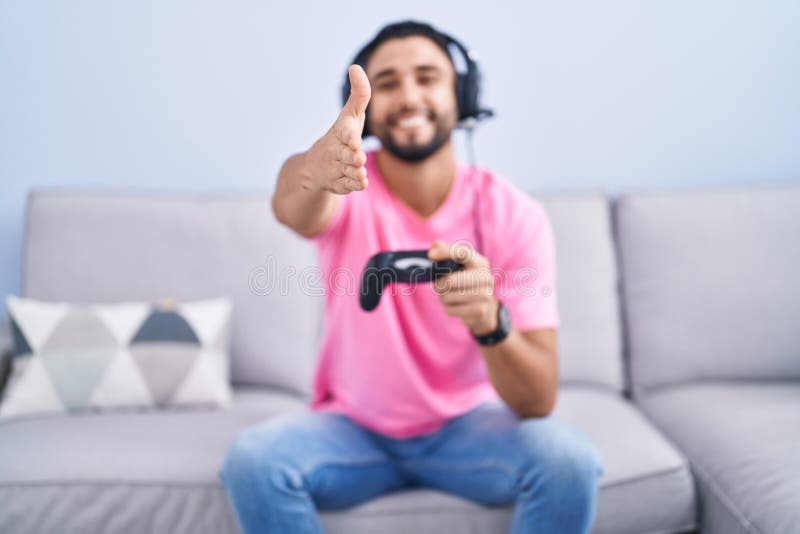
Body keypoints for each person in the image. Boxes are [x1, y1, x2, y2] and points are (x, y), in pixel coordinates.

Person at [219, 20, 602, 534]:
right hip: (354, 429)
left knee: (568, 460)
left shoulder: (514, 214)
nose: (409, 96)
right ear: (368, 108)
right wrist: (313, 167)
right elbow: (292, 207)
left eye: (427, 77)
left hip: (466, 429)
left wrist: (490, 322)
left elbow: (538, 400)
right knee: (252, 461)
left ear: (461, 94)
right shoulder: (345, 184)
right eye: (389, 83)